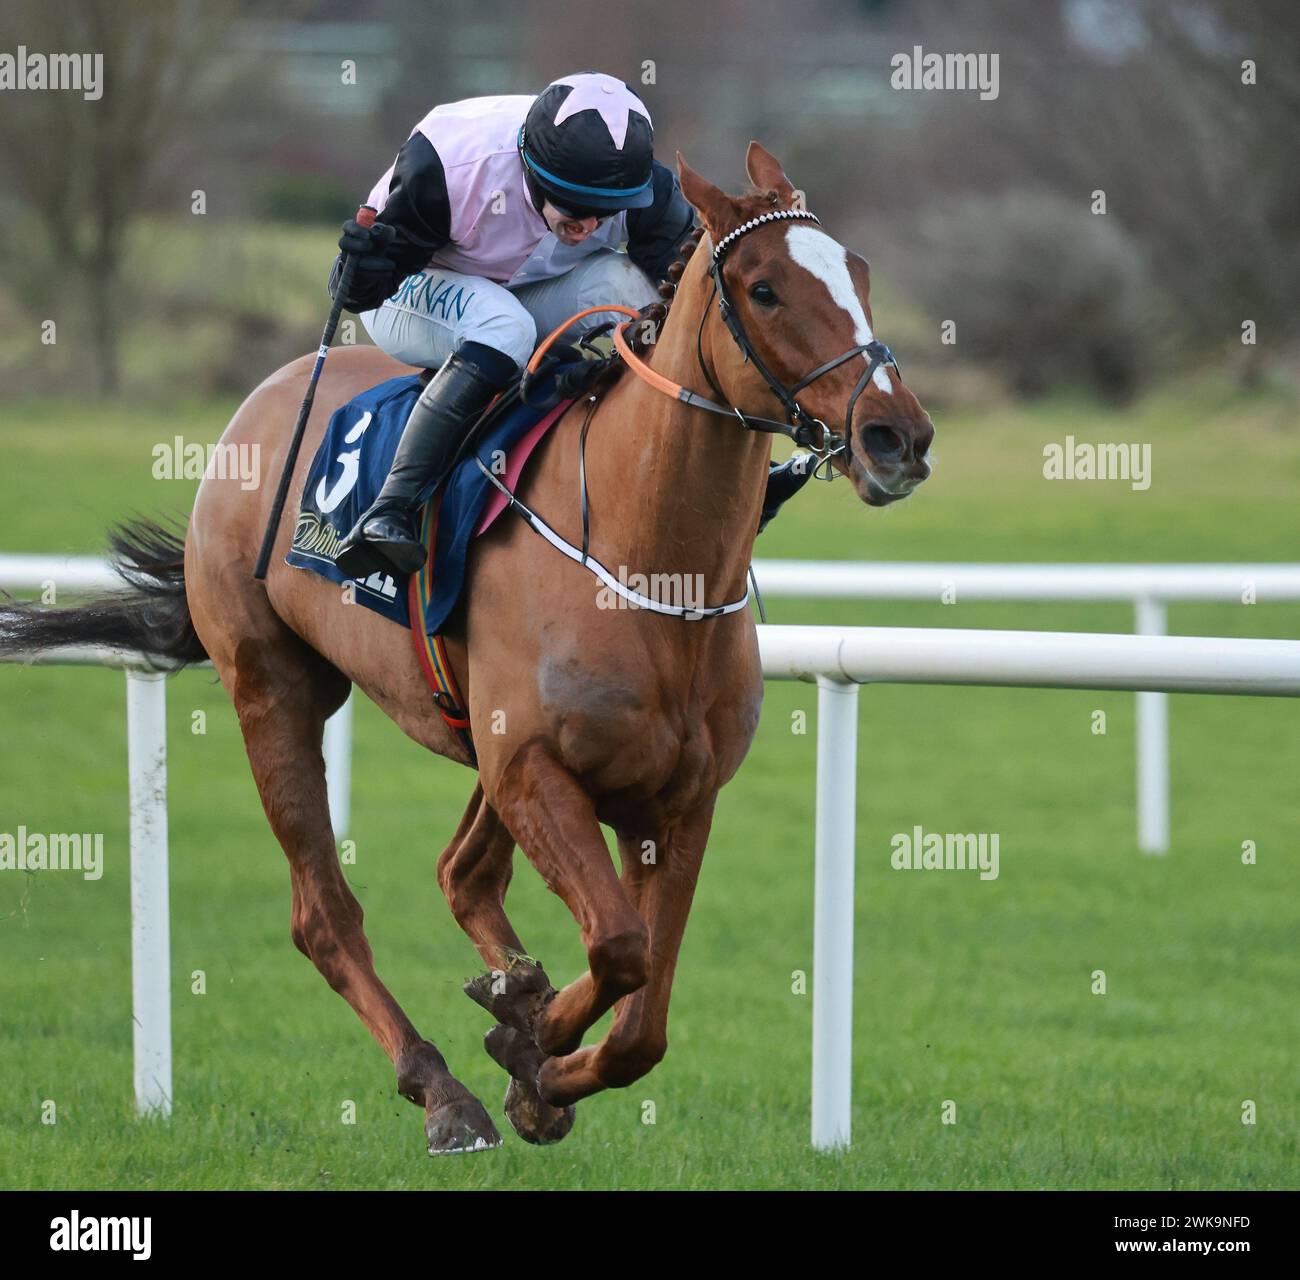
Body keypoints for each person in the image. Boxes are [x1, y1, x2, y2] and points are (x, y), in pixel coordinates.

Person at [329, 71, 695, 578]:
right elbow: (365, 292)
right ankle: (391, 509)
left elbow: (688, 293)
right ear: (532, 170)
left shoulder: (643, 186)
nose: (589, 225)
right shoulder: (447, 163)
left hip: (524, 291)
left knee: (634, 294)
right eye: (576, 207)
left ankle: (700, 469)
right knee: (506, 326)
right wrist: (356, 274)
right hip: (416, 288)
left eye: (605, 211)